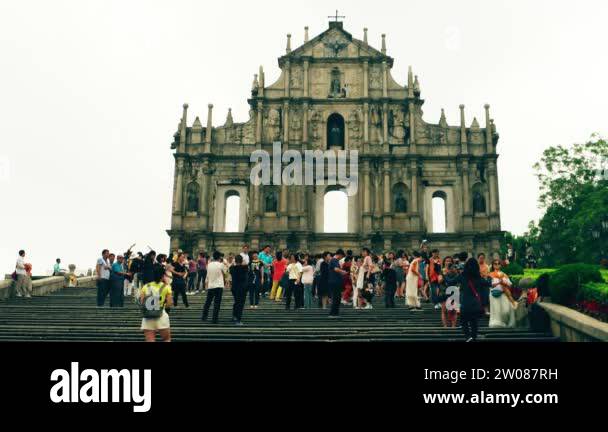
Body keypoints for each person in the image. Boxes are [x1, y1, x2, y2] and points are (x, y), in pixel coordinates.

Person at [460, 257, 491, 342]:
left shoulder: (462, 276)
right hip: (476, 304)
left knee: (463, 321)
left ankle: (468, 337)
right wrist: (489, 277)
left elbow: (450, 281)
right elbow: (489, 283)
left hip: (465, 304)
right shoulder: (479, 277)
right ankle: (473, 338)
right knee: (474, 322)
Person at [139, 265, 173, 342]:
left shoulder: (145, 286)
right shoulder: (166, 287)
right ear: (163, 275)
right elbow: (169, 303)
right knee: (166, 339)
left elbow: (141, 302)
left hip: (147, 317)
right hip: (161, 316)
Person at [488, 258, 516, 328]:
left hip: (504, 294)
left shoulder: (504, 274)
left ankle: (505, 322)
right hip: (494, 295)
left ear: (500, 265)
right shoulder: (490, 275)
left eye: (498, 264)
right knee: (496, 311)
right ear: (493, 265)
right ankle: (497, 323)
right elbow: (489, 284)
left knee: (506, 310)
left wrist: (504, 282)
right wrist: (498, 282)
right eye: (495, 264)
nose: (497, 265)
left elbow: (510, 284)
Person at [202, 251, 226, 324]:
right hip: (219, 286)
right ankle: (214, 319)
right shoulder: (221, 265)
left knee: (208, 302)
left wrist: (206, 283)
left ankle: (204, 316)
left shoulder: (209, 265)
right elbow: (226, 272)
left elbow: (208, 275)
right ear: (220, 257)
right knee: (217, 303)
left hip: (211, 286)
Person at [329, 249, 348, 317]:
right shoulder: (334, 260)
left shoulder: (335, 260)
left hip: (336, 281)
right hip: (334, 282)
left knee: (337, 297)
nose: (341, 258)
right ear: (339, 254)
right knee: (336, 297)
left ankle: (335, 312)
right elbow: (336, 269)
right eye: (342, 256)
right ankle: (333, 313)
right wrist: (343, 272)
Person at [230, 254, 248, 325]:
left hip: (234, 288)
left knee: (236, 302)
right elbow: (246, 264)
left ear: (235, 260)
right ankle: (238, 319)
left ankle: (234, 316)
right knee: (240, 304)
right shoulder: (245, 268)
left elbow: (231, 266)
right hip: (242, 288)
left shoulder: (232, 268)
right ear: (241, 260)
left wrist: (233, 262)